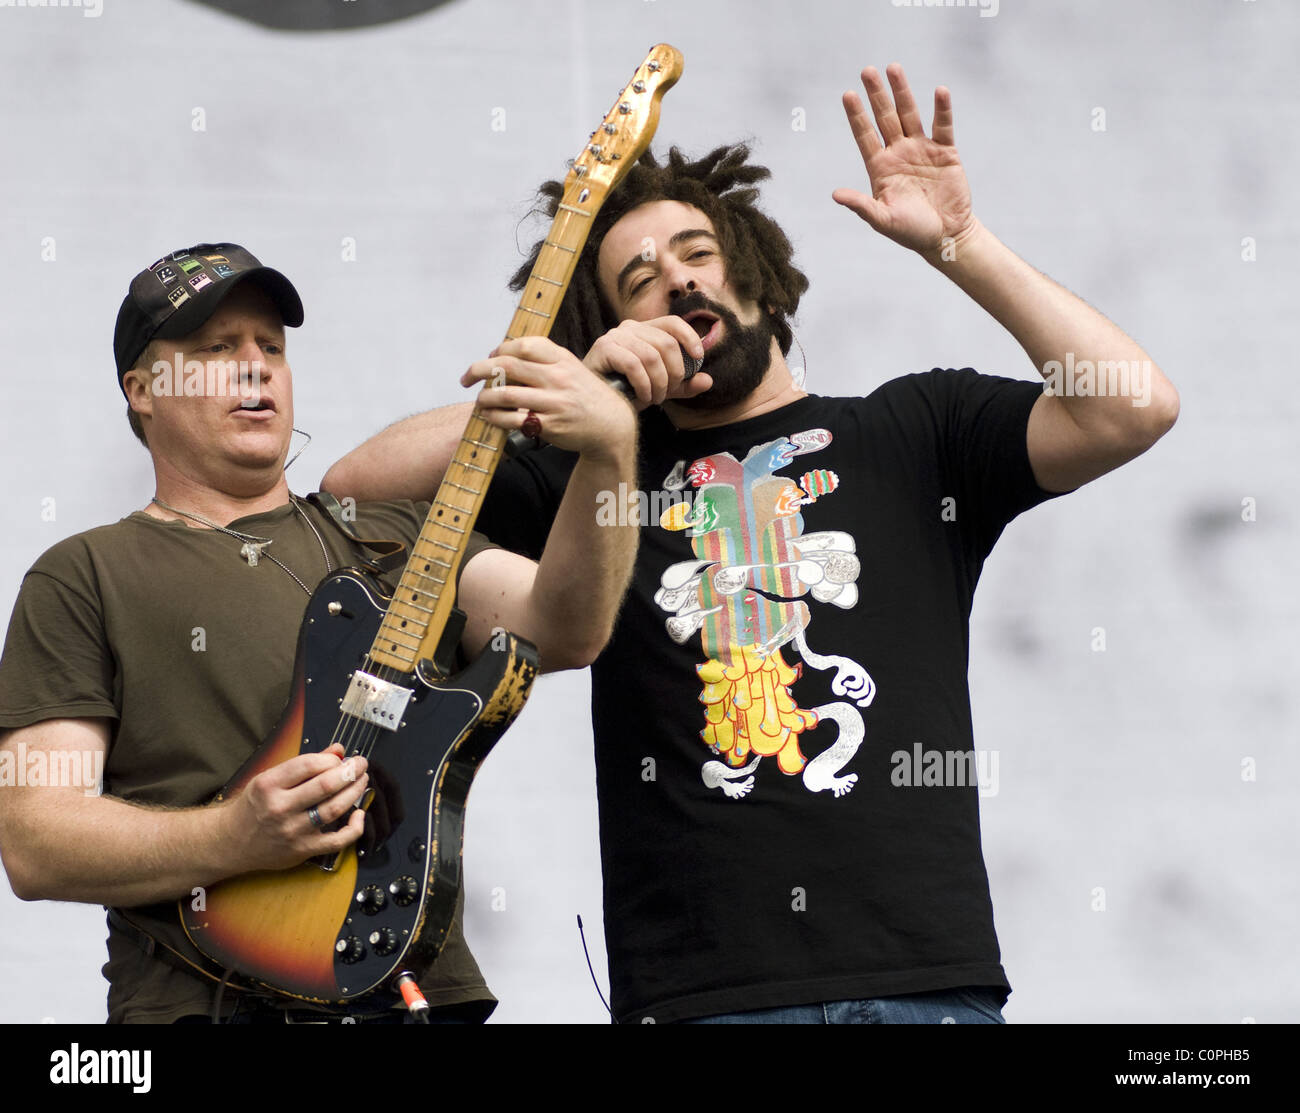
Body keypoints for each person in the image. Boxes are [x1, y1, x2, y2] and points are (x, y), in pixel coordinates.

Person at [321, 65, 1180, 1023]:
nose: (678, 278)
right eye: (636, 283)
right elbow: (353, 493)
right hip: (705, 994)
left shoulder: (915, 427)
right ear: (610, 329)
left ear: (758, 279)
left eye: (697, 252)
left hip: (923, 983)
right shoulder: (591, 475)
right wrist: (564, 397)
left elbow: (1131, 407)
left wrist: (961, 244)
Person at [0, 242, 639, 1023]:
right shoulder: (81, 574)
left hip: (417, 996)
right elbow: (35, 838)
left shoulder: (393, 537)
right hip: (204, 1008)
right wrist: (233, 835)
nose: (255, 365)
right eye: (216, 348)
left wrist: (609, 451)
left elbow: (566, 628)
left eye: (271, 347)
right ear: (142, 390)